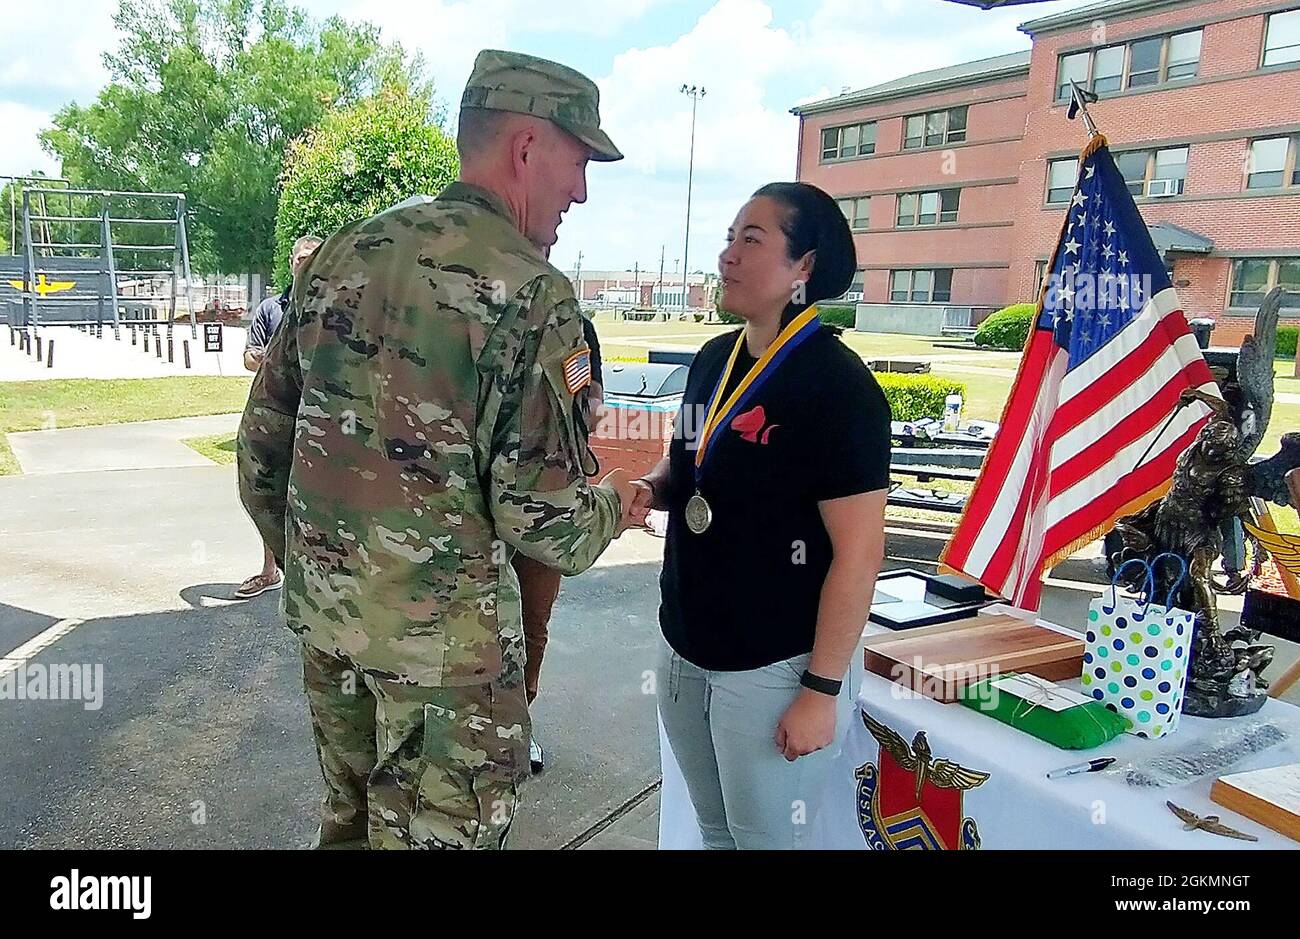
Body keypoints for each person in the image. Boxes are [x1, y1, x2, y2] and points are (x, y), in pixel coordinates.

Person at [236, 48, 640, 850]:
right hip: (449, 667)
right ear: (527, 147)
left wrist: (328, 572)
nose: (582, 192)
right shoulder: (532, 291)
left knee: (349, 828)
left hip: (331, 633)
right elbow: (546, 522)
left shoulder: (342, 254)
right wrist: (615, 507)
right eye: (579, 160)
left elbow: (260, 454)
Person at [634, 182, 892, 849]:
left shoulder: (840, 389)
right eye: (728, 238)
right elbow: (687, 471)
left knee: (767, 841)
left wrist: (821, 689)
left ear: (803, 267)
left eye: (752, 240)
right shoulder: (714, 359)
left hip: (775, 666)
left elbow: (859, 555)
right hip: (686, 645)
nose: (727, 256)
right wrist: (645, 489)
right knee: (716, 832)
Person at [512, 305, 605, 772]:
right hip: (471, 508)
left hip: (546, 506)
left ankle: (518, 726)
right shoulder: (476, 315)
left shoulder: (576, 329)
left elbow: (594, 405)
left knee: (532, 623)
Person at [234, 234, 323, 600]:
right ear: (290, 263)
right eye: (299, 259)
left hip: (318, 417)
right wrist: (275, 358)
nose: (303, 264)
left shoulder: (335, 305)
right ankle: (272, 569)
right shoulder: (272, 309)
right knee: (268, 483)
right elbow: (249, 356)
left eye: (311, 258)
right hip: (279, 412)